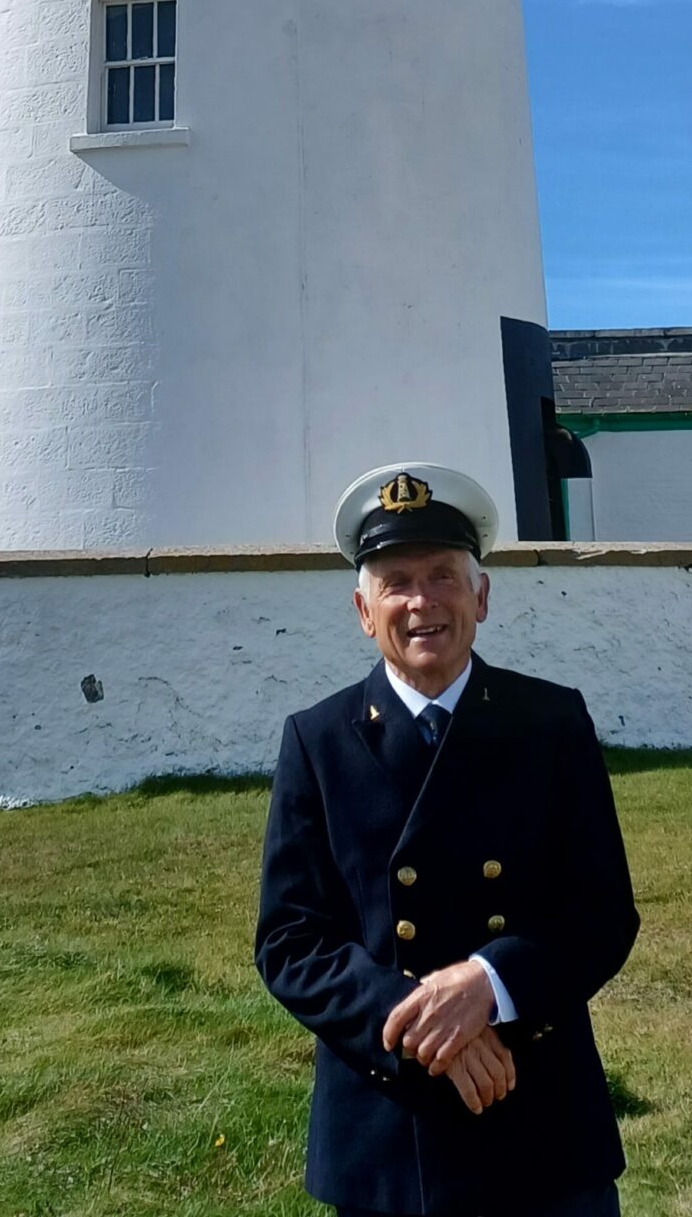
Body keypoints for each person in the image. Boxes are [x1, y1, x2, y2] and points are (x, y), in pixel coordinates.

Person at [256, 461, 639, 1217]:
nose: (421, 601)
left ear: (482, 595)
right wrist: (425, 1024)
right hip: (389, 1133)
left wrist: (487, 987)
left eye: (442, 575)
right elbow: (291, 941)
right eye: (395, 581)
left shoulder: (551, 723)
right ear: (364, 612)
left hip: (541, 1117)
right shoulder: (318, 741)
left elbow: (601, 912)